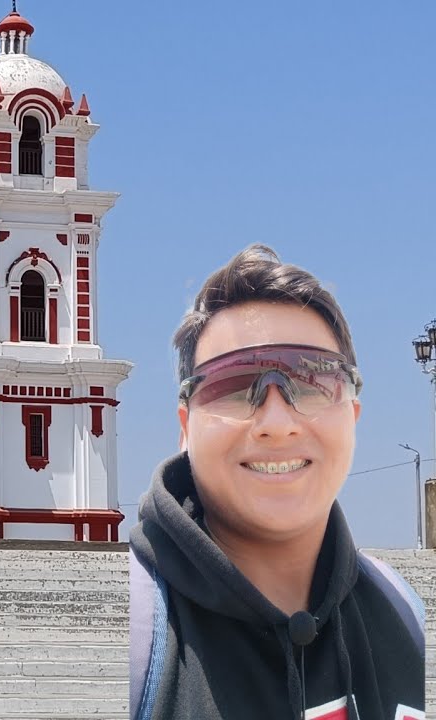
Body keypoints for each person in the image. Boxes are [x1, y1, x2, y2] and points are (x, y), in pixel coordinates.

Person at [129, 245, 425, 720]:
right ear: (185, 426)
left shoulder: (405, 616)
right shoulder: (136, 631)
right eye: (231, 385)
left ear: (353, 416)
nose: (276, 421)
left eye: (312, 380)